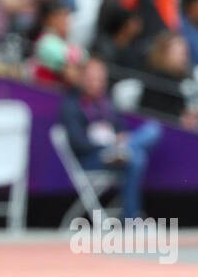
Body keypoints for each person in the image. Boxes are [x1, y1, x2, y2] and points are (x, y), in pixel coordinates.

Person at [59, 56, 162, 221]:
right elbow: (78, 144)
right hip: (92, 158)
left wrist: (119, 139)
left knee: (151, 132)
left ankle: (131, 218)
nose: (97, 83)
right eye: (92, 78)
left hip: (116, 152)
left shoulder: (105, 103)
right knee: (137, 157)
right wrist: (106, 145)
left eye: (100, 79)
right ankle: (132, 219)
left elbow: (120, 128)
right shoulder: (72, 105)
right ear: (82, 78)